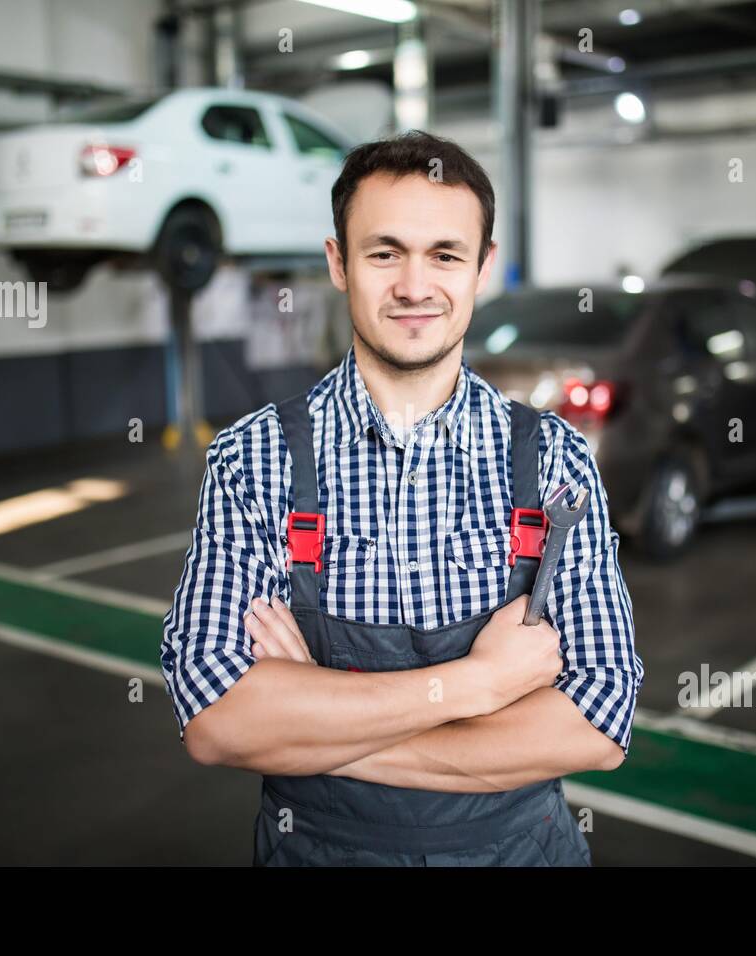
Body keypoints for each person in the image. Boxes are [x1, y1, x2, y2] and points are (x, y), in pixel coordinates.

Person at [160, 129, 644, 866]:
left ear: (482, 268)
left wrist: (314, 725)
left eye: (445, 254)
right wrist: (478, 684)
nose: (415, 286)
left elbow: (599, 723)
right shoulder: (251, 462)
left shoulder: (554, 462)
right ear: (338, 263)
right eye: (384, 252)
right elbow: (217, 721)